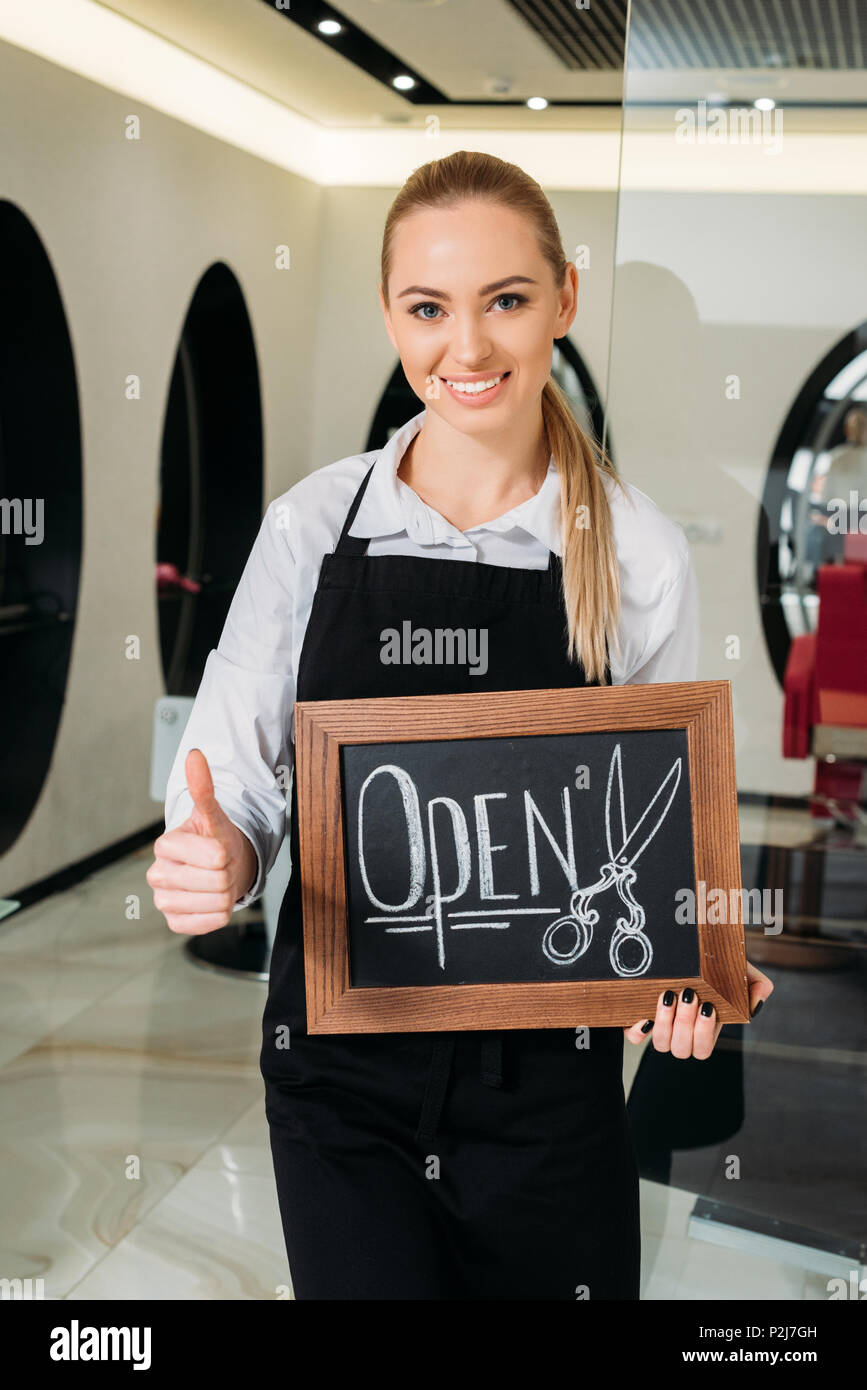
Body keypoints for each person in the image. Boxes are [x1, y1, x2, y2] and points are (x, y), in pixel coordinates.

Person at [149, 150, 773, 1301]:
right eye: (429, 308)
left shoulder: (636, 551)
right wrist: (219, 856)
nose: (468, 349)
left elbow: (658, 819)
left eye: (507, 301)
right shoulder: (310, 529)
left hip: (551, 1093)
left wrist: (690, 974)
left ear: (564, 301)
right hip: (338, 1078)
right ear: (390, 312)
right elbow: (235, 784)